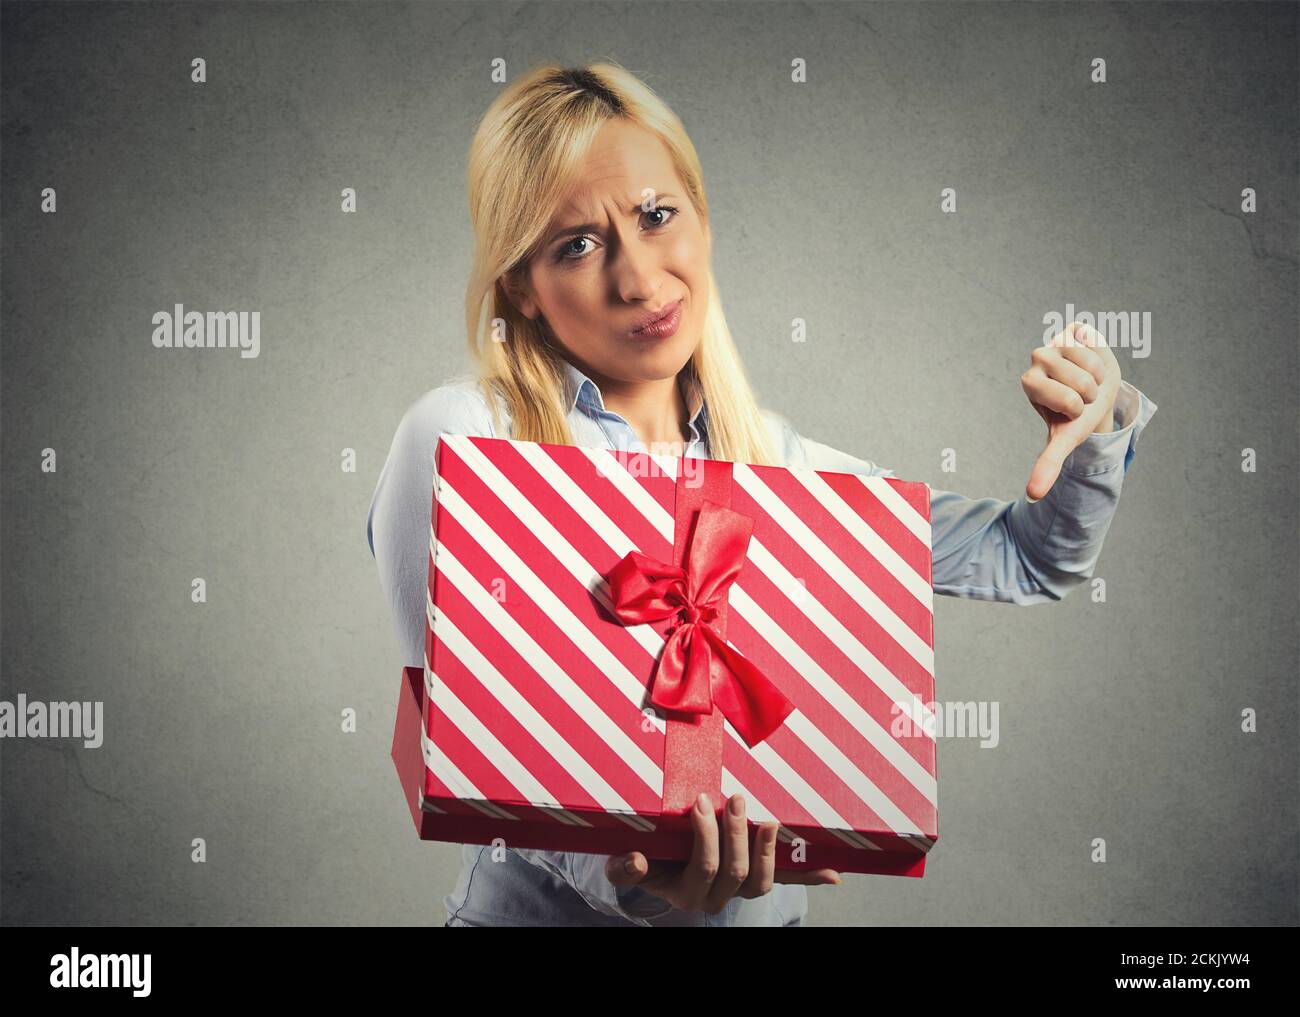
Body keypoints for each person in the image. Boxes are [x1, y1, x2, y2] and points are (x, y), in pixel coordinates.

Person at [366, 62, 1158, 927]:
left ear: (702, 220)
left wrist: (1096, 424)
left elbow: (1027, 558)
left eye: (657, 216)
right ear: (519, 284)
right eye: (577, 246)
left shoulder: (779, 463)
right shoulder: (462, 438)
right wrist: (648, 878)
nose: (639, 281)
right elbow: (466, 746)